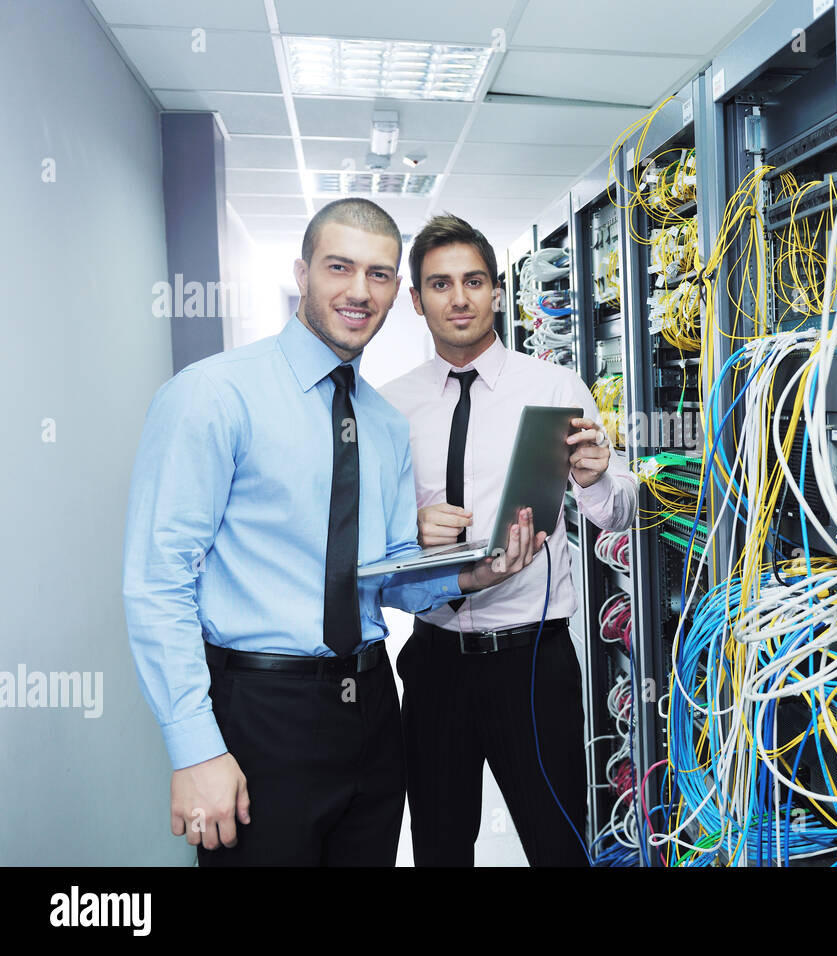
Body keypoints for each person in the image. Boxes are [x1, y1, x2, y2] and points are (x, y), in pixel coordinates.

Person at [121, 198, 544, 867]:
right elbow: (157, 581)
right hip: (261, 710)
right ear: (302, 271)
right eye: (339, 267)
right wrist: (195, 746)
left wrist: (471, 576)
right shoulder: (213, 396)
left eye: (378, 274)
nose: (359, 291)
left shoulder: (380, 422)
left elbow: (384, 573)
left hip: (373, 707)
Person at [381, 213, 637, 867]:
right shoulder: (388, 406)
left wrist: (602, 475)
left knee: (560, 844)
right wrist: (408, 532)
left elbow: (617, 516)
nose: (458, 298)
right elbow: (368, 545)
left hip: (533, 662)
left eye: (472, 281)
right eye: (439, 284)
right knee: (439, 846)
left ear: (497, 290)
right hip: (434, 660)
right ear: (416, 300)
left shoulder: (552, 387)